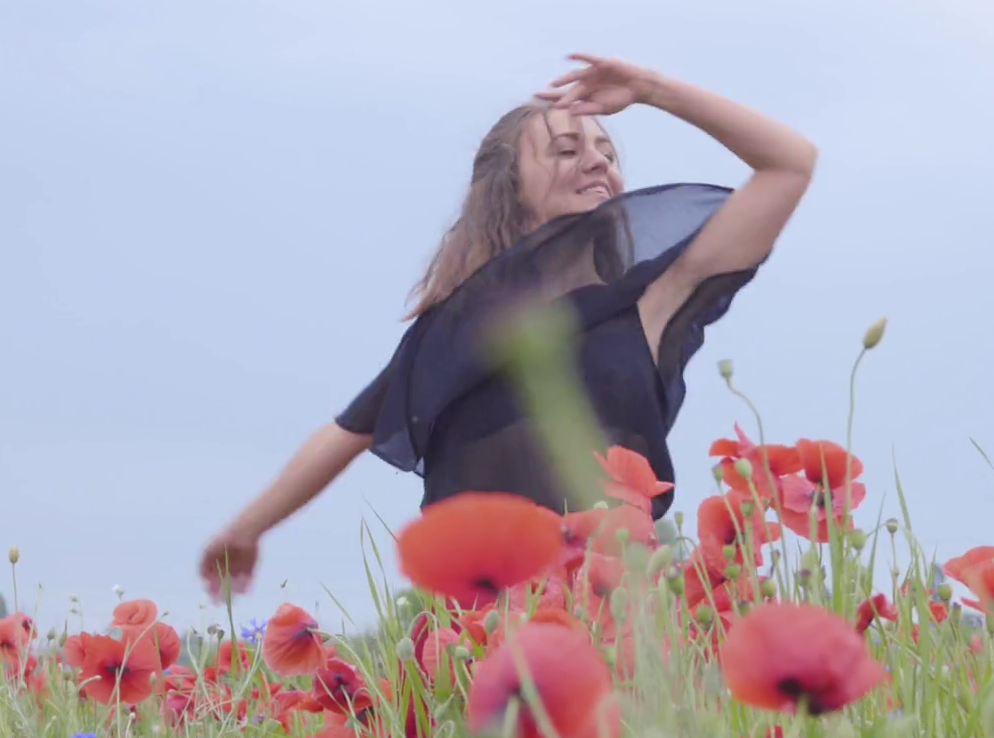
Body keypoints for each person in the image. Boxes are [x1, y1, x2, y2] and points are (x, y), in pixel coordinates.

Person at [198, 54, 816, 597]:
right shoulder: (458, 330)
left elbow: (790, 164)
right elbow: (340, 435)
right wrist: (244, 529)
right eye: (567, 150)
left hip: (609, 608)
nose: (597, 163)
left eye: (606, 151)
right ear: (509, 187)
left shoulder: (656, 294)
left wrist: (651, 89)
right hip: (481, 615)